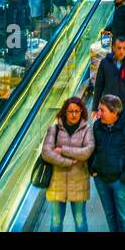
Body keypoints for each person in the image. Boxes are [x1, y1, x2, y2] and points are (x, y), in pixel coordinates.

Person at [89, 94, 125, 232]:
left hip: (120, 182)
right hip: (101, 180)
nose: (99, 113)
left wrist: (124, 178)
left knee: (124, 217)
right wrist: (92, 169)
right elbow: (92, 149)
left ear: (114, 112)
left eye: (102, 110)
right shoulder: (97, 126)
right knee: (110, 216)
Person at [40, 96, 94, 232]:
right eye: (70, 111)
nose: (74, 114)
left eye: (77, 111)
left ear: (82, 111)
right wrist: (68, 162)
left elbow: (87, 151)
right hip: (57, 183)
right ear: (65, 112)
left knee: (80, 219)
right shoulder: (54, 129)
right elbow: (46, 152)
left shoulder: (87, 130)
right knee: (56, 221)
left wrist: (62, 150)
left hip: (79, 182)